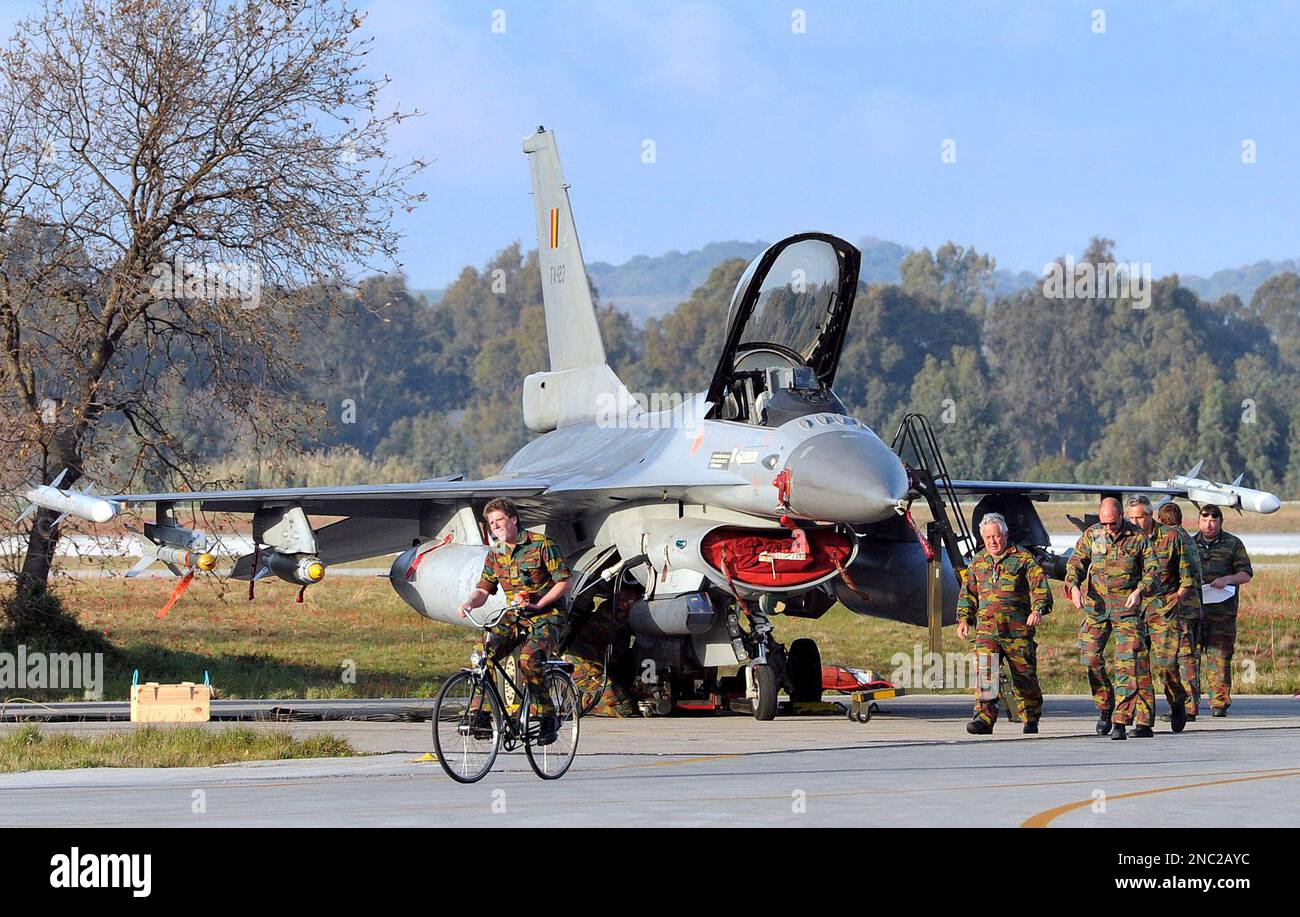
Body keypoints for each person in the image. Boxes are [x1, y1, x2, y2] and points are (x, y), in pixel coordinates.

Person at [459, 498, 572, 743]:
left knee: (528, 659)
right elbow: (484, 589)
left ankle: (546, 717)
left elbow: (564, 580)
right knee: (483, 656)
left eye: (499, 520)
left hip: (547, 615)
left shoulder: (541, 545)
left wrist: (541, 603)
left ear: (513, 519)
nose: (496, 526)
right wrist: (470, 602)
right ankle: (481, 715)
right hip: (516, 615)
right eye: (491, 523)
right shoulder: (496, 553)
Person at [1064, 496, 1159, 740]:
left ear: (1121, 518)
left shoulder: (1137, 538)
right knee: (1090, 657)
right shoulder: (1092, 535)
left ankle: (1121, 720)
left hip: (1126, 608)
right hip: (1097, 608)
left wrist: (1140, 591)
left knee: (1127, 663)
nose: (1109, 528)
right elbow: (1075, 562)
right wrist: (1073, 586)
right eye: (1104, 523)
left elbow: (1153, 571)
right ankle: (1105, 706)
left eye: (1113, 524)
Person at [956, 513, 1051, 735]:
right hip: (987, 631)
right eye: (988, 537)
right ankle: (984, 719)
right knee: (986, 674)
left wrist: (1037, 609)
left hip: (1017, 631)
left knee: (1024, 676)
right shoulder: (978, 562)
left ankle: (1030, 716)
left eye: (996, 536)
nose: (992, 542)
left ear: (1005, 535)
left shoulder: (1022, 558)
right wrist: (963, 619)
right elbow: (967, 593)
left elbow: (1040, 586)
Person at [1125, 495, 1196, 732]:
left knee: (1166, 665)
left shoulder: (1172, 537)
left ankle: (1177, 702)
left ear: (1150, 515)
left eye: (1140, 517)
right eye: (1131, 517)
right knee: (1138, 664)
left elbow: (1188, 578)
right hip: (1133, 610)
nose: (1135, 522)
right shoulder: (1125, 539)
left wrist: (1177, 598)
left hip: (1164, 609)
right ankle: (1144, 721)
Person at [1194, 504, 1253, 717]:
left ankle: (1219, 702)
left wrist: (1228, 579)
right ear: (1198, 521)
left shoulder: (1232, 544)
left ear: (1220, 522)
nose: (1208, 524)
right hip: (1195, 612)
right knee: (1190, 657)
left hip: (1223, 612)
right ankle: (1189, 703)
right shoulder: (1190, 544)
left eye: (1213, 520)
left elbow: (1245, 574)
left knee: (1219, 657)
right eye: (1204, 520)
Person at [1156, 501, 1205, 720]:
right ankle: (1191, 704)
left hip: (1180, 608)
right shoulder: (1188, 538)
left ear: (1160, 520)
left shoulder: (1172, 540)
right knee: (1189, 657)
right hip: (1192, 607)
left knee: (1184, 658)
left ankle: (1188, 707)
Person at [563, 580, 639, 717]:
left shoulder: (618, 612)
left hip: (601, 663)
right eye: (624, 600)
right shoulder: (610, 613)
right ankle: (584, 704)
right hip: (583, 666)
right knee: (624, 709)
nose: (626, 604)